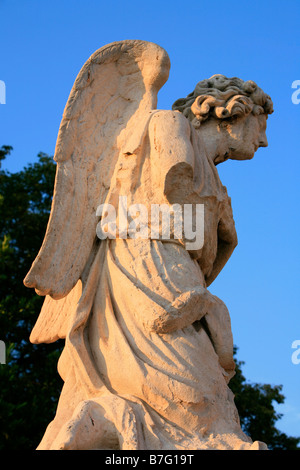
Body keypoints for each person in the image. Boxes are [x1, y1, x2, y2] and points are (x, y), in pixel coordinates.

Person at [25, 42, 273, 450]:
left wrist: (206, 231)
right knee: (190, 392)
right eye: (261, 126)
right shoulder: (167, 125)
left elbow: (210, 247)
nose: (262, 142)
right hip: (145, 269)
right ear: (233, 111)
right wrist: (204, 226)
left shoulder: (217, 183)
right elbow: (174, 195)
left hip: (178, 273)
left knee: (209, 392)